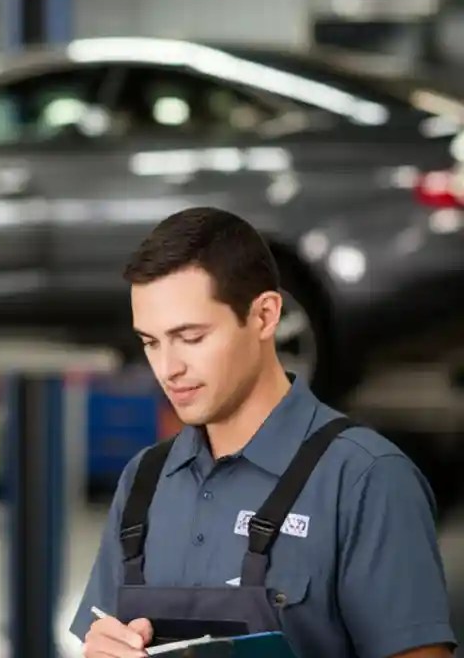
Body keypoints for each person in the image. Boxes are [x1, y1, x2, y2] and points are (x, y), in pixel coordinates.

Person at [71, 207, 457, 658]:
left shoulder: (366, 480)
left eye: (191, 337)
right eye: (151, 342)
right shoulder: (144, 481)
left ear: (265, 315)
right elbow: (102, 633)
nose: (168, 368)